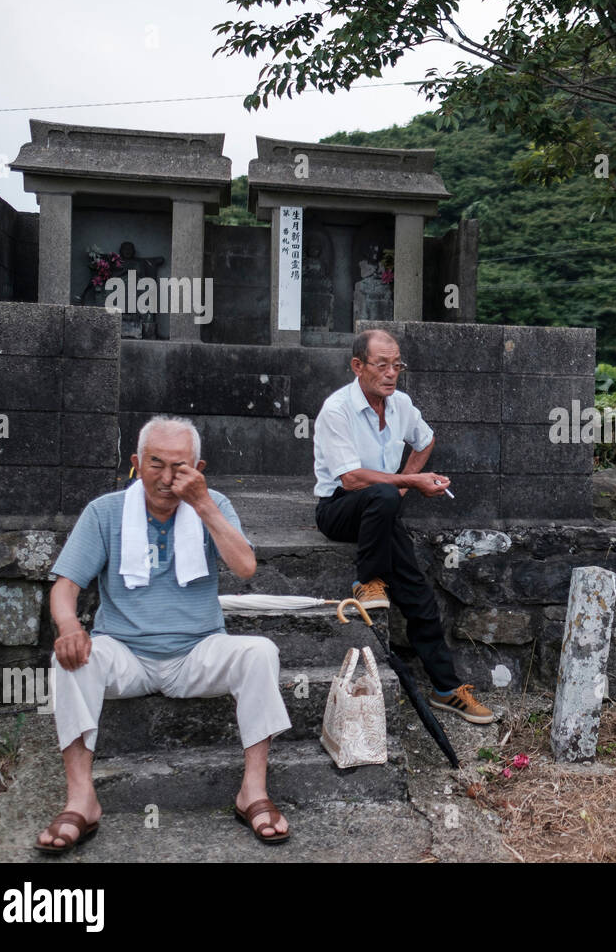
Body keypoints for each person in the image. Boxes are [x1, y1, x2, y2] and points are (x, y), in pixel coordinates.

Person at [37, 417, 293, 853]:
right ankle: (82, 798)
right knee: (70, 657)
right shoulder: (106, 511)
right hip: (125, 652)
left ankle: (252, 790)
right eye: (156, 463)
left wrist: (203, 505)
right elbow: (65, 586)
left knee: (260, 652)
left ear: (199, 467)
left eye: (181, 466)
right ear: (137, 463)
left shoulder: (215, 505)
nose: (167, 477)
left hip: (198, 650)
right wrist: (69, 626)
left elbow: (245, 568)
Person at [312, 329, 494, 725]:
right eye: (382, 364)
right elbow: (351, 481)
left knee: (417, 593)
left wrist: (405, 484)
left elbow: (425, 440)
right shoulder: (337, 409)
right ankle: (368, 581)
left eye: (397, 365)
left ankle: (446, 688)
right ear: (358, 366)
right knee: (382, 495)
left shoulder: (401, 405)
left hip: (382, 508)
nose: (391, 373)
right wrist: (408, 483)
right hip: (339, 510)